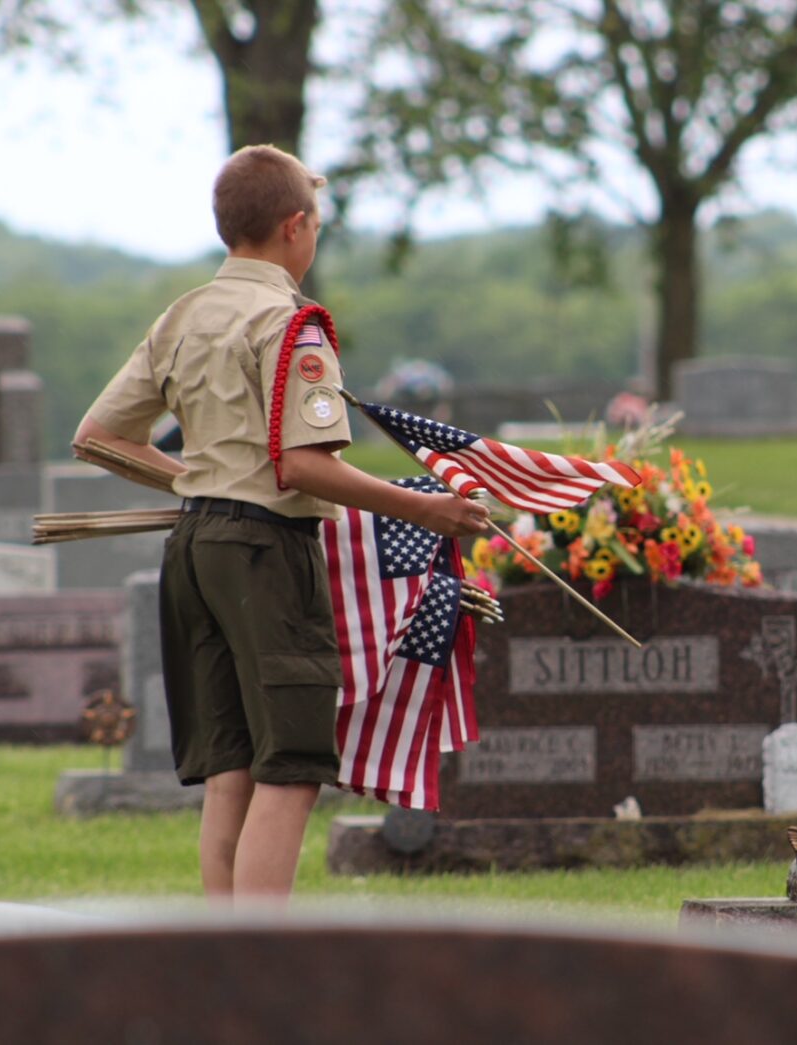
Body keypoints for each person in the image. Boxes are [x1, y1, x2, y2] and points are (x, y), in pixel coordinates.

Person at [76, 144, 489, 901]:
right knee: (292, 767)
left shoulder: (184, 313)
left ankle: (222, 955)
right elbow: (304, 467)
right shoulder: (291, 324)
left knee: (231, 767)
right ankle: (264, 958)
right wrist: (429, 508)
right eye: (318, 224)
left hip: (194, 547)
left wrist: (198, 478)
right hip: (264, 553)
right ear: (295, 226)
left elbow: (97, 433)